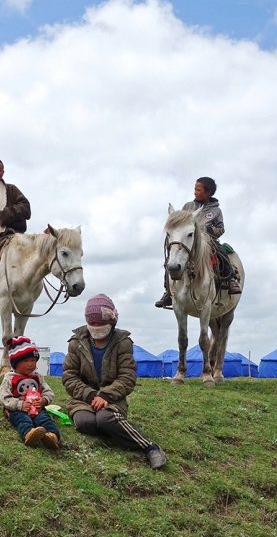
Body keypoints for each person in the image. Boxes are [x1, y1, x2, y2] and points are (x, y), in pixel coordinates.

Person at [62, 294, 166, 468]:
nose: (96, 327)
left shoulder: (123, 343)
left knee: (104, 418)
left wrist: (105, 396)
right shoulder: (76, 342)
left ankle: (149, 447)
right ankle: (116, 432)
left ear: (112, 321)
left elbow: (127, 377)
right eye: (92, 323)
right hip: (83, 400)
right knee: (84, 422)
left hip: (112, 399)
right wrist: (90, 395)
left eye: (101, 323)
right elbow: (69, 376)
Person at [155, 176, 241, 309]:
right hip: (188, 241)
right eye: (195, 189)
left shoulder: (216, 211)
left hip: (208, 240)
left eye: (199, 190)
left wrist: (209, 230)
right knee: (171, 259)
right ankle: (168, 291)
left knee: (221, 251)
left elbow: (221, 229)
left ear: (208, 192)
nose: (195, 192)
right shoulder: (188, 206)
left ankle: (231, 280)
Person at [0, 335, 61, 449]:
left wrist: (43, 400)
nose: (30, 364)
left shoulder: (38, 377)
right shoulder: (10, 377)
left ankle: (52, 437)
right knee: (22, 420)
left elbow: (48, 391)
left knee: (44, 419)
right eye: (26, 360)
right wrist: (19, 405)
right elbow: (4, 397)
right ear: (15, 363)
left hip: (37, 408)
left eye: (33, 360)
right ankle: (29, 434)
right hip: (18, 409)